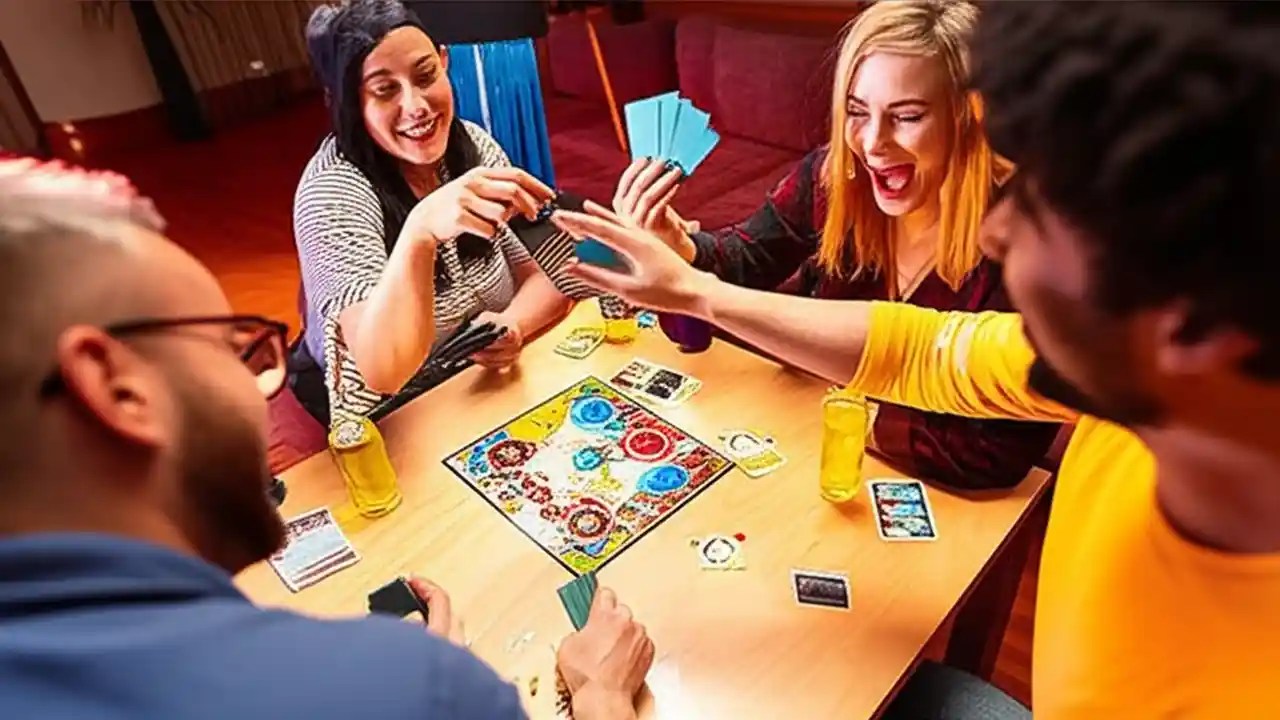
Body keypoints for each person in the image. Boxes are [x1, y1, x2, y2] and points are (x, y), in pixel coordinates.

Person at [553, 1, 1280, 716]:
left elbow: (973, 436)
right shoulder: (1122, 378)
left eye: (1043, 200)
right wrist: (697, 285)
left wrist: (602, 700)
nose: (999, 230)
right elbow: (921, 348)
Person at [0, 157, 652, 720]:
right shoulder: (402, 687)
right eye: (237, 350)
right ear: (120, 390)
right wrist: (598, 695)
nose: (259, 383)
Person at [609, 0, 1058, 490]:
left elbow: (992, 453)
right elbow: (746, 258)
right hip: (805, 457)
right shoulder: (833, 176)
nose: (871, 143)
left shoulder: (1030, 241)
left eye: (906, 116)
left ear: (969, 120)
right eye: (857, 112)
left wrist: (839, 407)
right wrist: (681, 244)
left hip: (939, 494)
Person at [291, 0, 572, 427]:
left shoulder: (473, 147)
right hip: (385, 413)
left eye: (425, 76)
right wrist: (420, 233)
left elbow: (548, 278)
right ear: (349, 101)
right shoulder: (332, 193)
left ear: (444, 62)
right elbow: (383, 373)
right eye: (385, 90)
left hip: (471, 385)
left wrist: (511, 325)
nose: (417, 105)